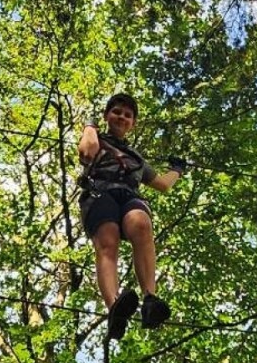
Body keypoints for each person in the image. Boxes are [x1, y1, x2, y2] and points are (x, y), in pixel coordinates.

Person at [78, 92, 185, 339]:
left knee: (141, 224)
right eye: (116, 112)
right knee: (108, 240)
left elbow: (162, 184)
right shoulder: (96, 138)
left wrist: (177, 170)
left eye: (127, 115)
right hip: (99, 191)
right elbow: (86, 151)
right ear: (107, 115)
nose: (121, 117)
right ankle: (114, 306)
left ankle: (150, 298)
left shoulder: (137, 158)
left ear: (133, 123)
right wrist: (89, 126)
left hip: (128, 195)